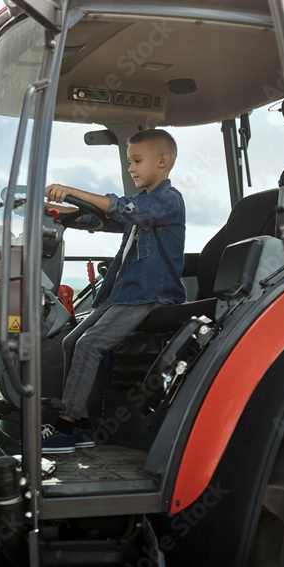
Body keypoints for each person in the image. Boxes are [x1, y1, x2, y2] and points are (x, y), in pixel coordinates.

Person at [41, 128, 186, 453]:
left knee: (90, 344)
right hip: (122, 294)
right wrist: (61, 211)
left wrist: (72, 190)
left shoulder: (167, 201)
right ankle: (83, 425)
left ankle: (66, 424)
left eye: (137, 160)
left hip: (150, 294)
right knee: (71, 341)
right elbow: (104, 219)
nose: (131, 168)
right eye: (129, 161)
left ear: (162, 161)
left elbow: (124, 210)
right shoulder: (145, 203)